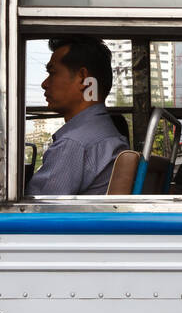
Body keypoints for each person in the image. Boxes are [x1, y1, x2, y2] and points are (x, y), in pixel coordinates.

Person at [29, 36, 128, 196]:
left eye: (52, 73)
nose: (44, 83)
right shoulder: (107, 134)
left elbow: (37, 215)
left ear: (83, 78)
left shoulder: (73, 144)